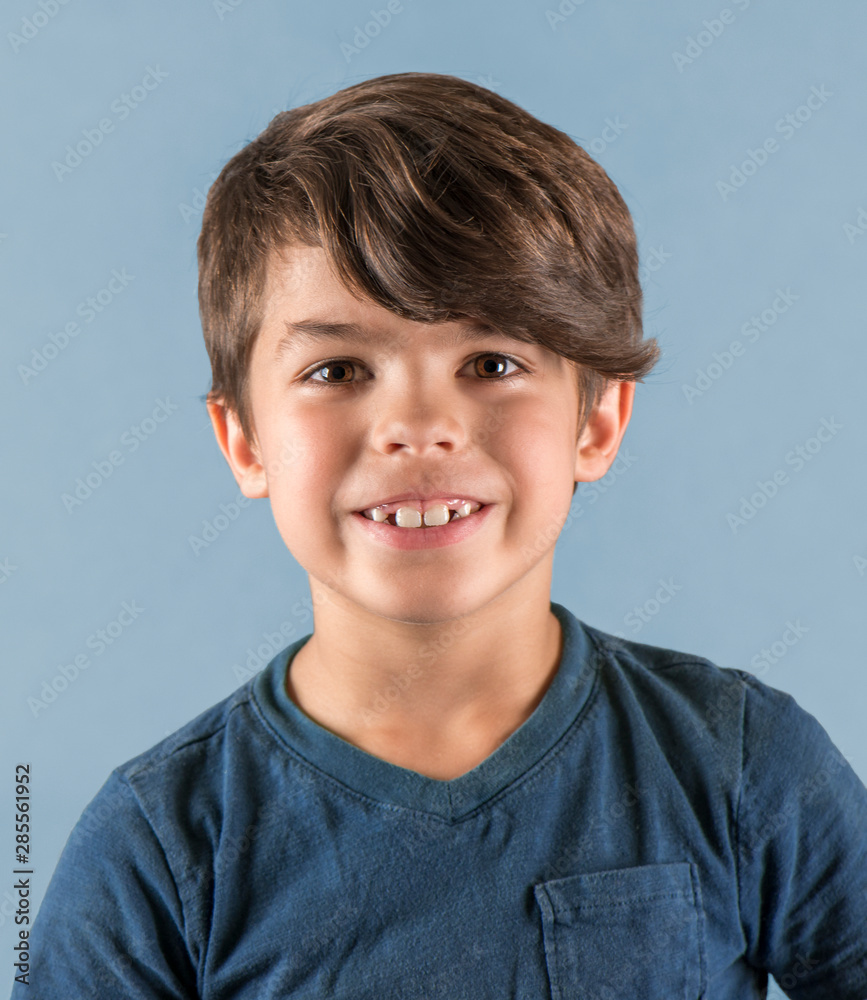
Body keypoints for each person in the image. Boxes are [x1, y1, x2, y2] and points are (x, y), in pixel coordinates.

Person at [14, 72, 867, 999]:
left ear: (597, 422)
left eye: (490, 362)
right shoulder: (158, 845)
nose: (419, 425)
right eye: (338, 368)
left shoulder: (741, 761)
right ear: (244, 440)